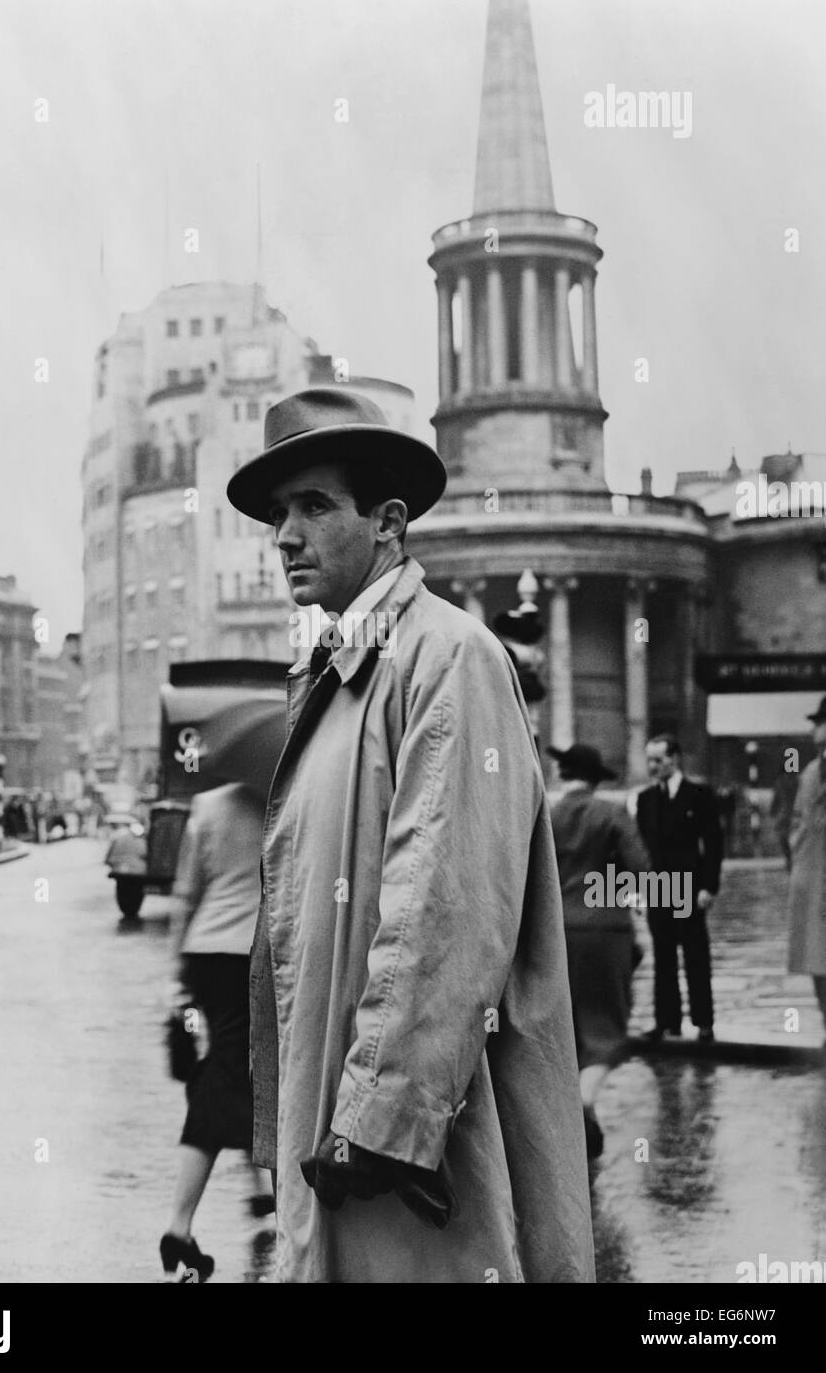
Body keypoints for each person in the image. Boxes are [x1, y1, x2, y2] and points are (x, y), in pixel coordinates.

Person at [226, 387, 594, 1284]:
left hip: (408, 1153)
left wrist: (382, 1119)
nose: (284, 535)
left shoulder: (446, 656)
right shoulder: (334, 671)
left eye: (314, 506)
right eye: (279, 513)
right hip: (341, 1138)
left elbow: (445, 902)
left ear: (388, 522)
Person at [160, 782, 273, 1283]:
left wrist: (173, 973)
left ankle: (260, 1196)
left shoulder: (206, 805)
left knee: (238, 1070)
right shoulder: (281, 795)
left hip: (204, 954)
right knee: (230, 1074)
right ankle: (177, 1231)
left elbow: (186, 894)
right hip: (250, 956)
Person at [547, 743, 651, 1160]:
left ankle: (564, 1118)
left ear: (564, 774)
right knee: (605, 1025)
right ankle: (584, 1101)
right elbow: (641, 869)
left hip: (554, 934)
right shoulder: (611, 813)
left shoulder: (546, 816)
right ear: (595, 778)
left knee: (566, 1027)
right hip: (605, 931)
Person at [636, 734, 724, 1045]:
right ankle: (666, 1022)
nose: (653, 766)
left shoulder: (699, 795)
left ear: (675, 759)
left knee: (696, 955)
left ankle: (704, 1022)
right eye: (649, 760)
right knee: (663, 957)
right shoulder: (645, 800)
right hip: (658, 889)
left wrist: (709, 887)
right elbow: (641, 848)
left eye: (658, 760)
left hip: (690, 888)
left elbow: (713, 843)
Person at [785, 697, 826, 1031]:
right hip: (812, 876)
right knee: (816, 958)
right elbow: (798, 817)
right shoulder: (811, 771)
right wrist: (796, 848)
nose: (816, 731)